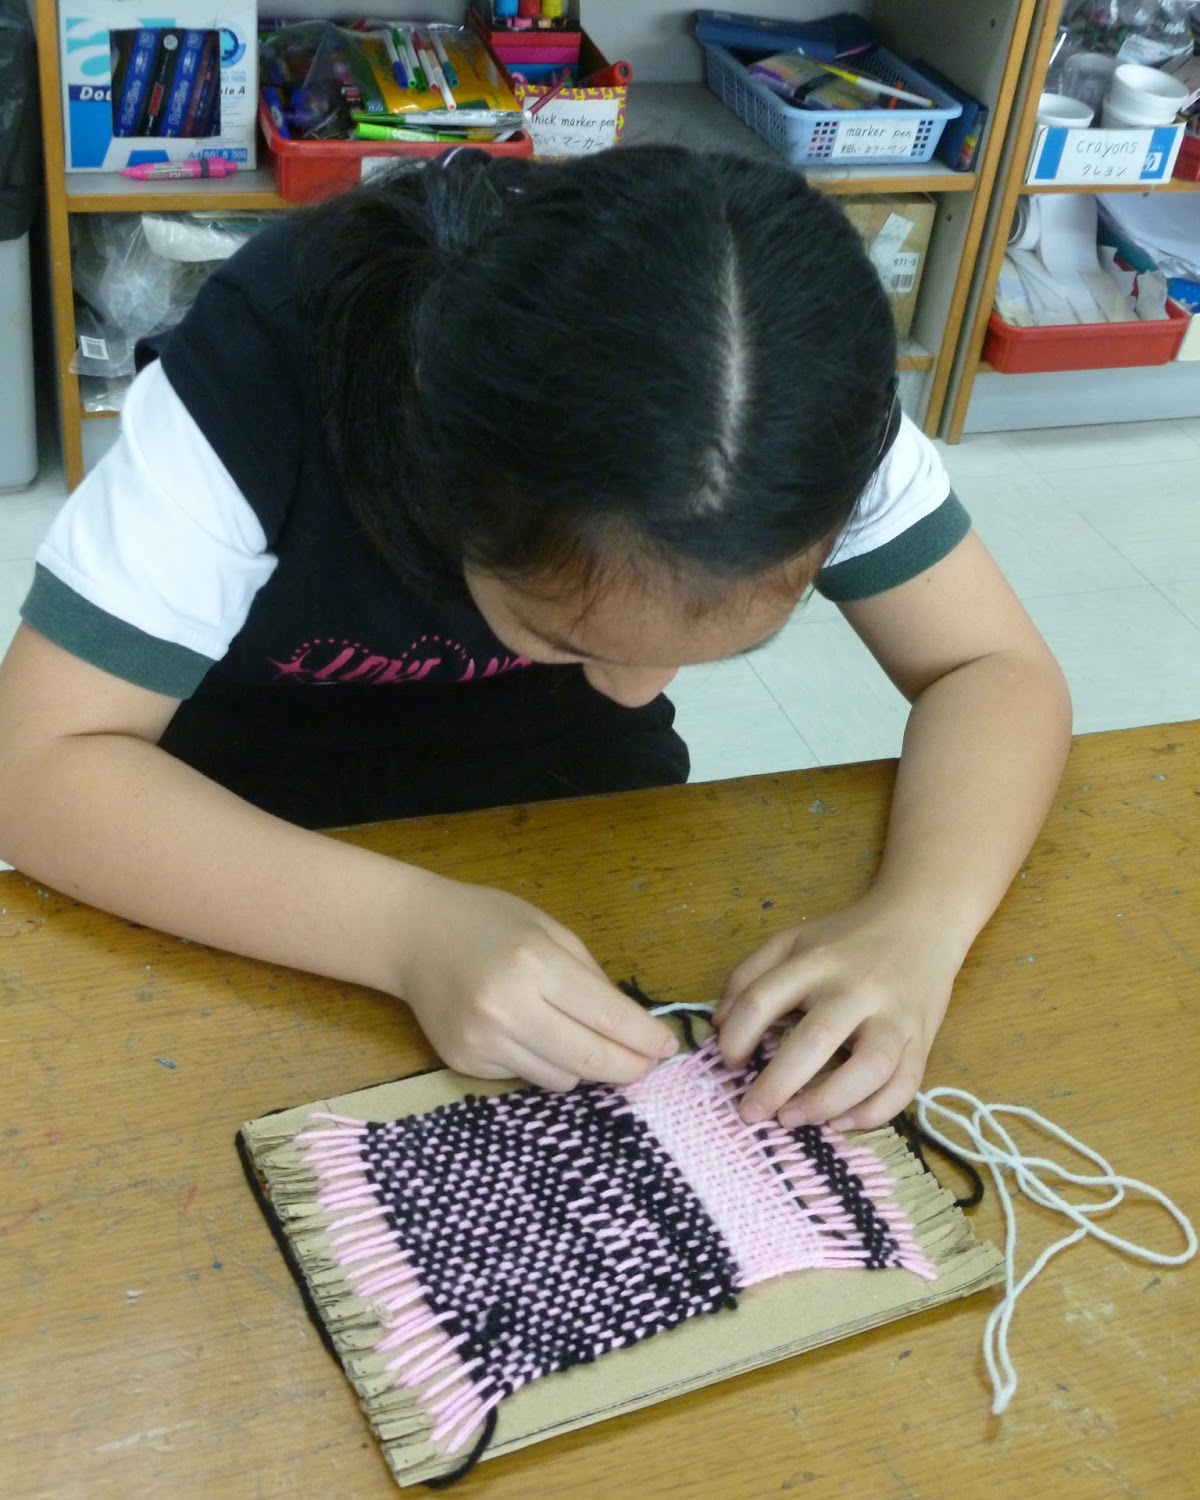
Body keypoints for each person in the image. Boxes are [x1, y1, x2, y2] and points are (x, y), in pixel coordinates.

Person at [0, 145, 1071, 1132]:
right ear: (448, 482)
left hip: (569, 807)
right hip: (223, 819)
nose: (640, 687)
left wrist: (918, 927)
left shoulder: (794, 409)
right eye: (565, 634)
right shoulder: (264, 375)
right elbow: (37, 768)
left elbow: (994, 668)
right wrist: (406, 930)